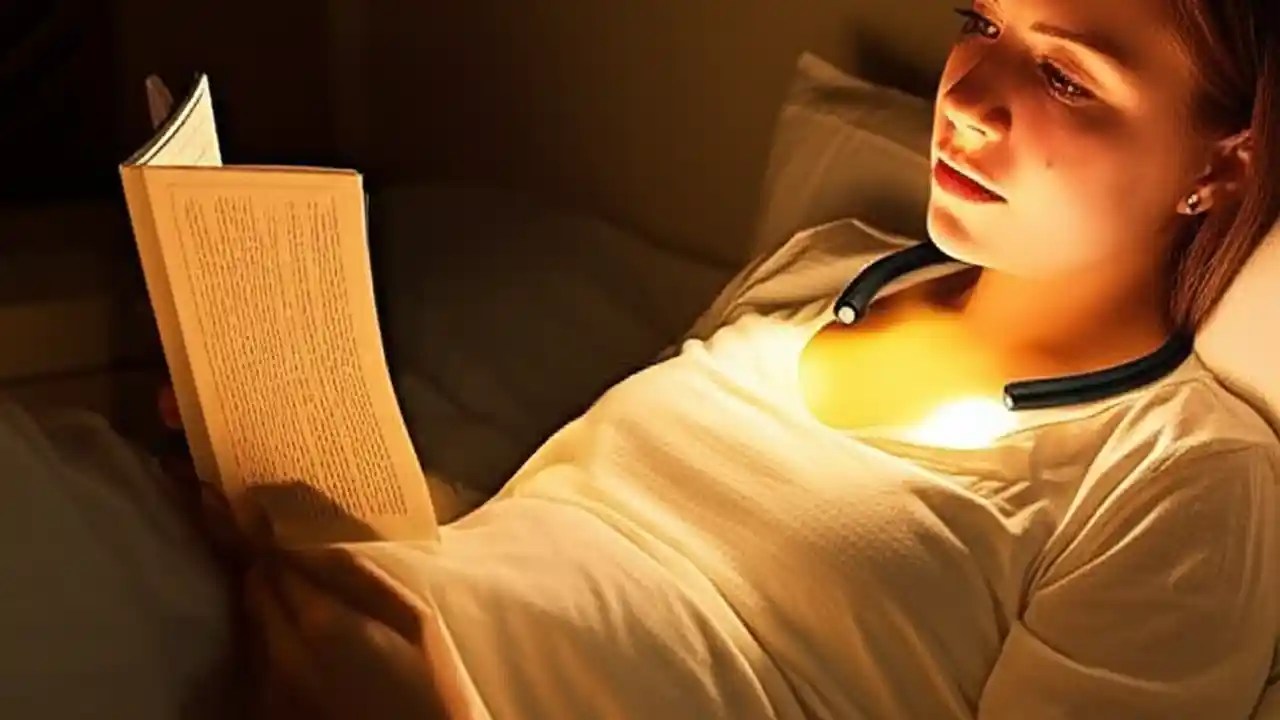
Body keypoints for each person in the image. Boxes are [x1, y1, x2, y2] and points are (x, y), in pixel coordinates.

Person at [198, 0, 1280, 718]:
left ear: (1221, 167)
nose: (966, 96)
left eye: (1062, 77)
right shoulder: (824, 269)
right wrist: (294, 477)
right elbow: (579, 543)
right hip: (304, 632)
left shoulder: (1180, 477)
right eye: (980, 23)